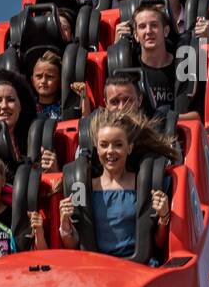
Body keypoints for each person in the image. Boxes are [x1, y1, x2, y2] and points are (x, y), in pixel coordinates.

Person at [57, 108, 179, 259]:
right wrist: (65, 222)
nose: (110, 151)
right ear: (96, 146)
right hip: (97, 270)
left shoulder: (145, 184)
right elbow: (73, 244)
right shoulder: (80, 187)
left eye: (118, 145)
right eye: (104, 145)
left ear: (129, 147)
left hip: (135, 269)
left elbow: (157, 243)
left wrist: (163, 216)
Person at [30, 51, 92, 121]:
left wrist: (84, 97)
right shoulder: (27, 106)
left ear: (60, 81)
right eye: (39, 76)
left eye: (50, 77)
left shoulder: (68, 107)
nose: (43, 81)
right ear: (32, 80)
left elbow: (86, 125)